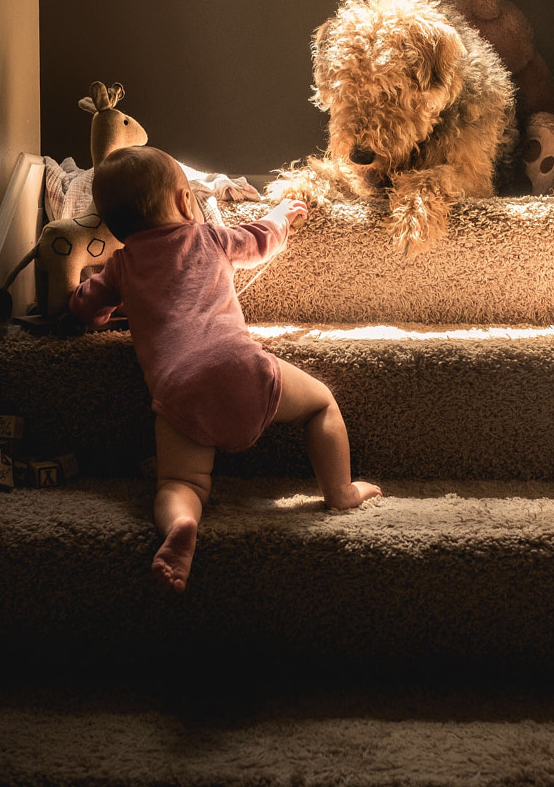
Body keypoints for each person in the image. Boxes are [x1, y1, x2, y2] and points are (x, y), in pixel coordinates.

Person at [69, 145, 381, 593]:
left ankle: (180, 524)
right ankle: (341, 493)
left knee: (180, 481)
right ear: (183, 202)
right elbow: (261, 239)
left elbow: (85, 306)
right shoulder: (209, 237)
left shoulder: (121, 265)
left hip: (176, 390)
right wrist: (280, 215)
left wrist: (95, 311)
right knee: (320, 405)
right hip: (238, 364)